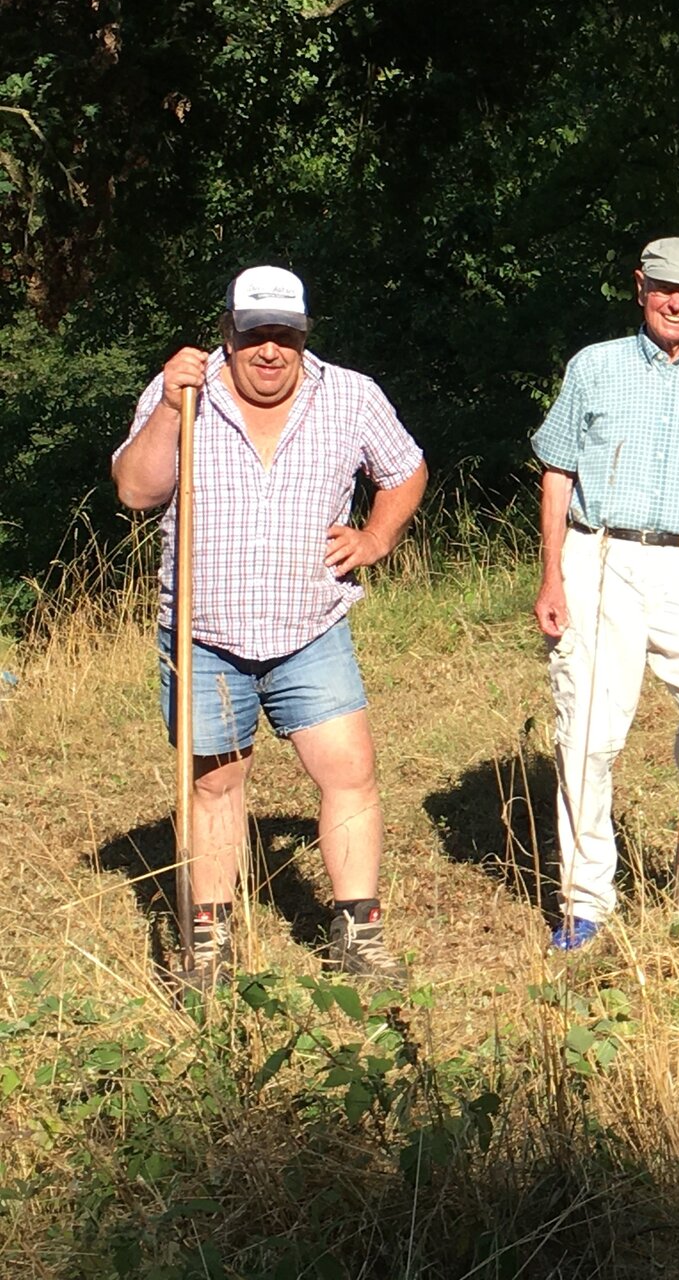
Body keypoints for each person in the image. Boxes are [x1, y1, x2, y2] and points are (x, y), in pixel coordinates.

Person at [112, 265, 428, 988]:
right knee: (216, 785)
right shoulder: (183, 396)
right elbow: (135, 490)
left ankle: (358, 932)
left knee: (348, 772)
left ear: (303, 334)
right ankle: (210, 943)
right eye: (255, 334)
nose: (269, 351)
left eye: (284, 335)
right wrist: (168, 404)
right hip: (204, 633)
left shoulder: (349, 394)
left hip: (310, 627)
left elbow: (406, 470)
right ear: (228, 333)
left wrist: (374, 540)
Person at [532, 237, 679, 952]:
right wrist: (552, 573)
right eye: (666, 288)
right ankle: (585, 904)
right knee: (589, 736)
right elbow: (558, 473)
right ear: (640, 287)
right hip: (598, 557)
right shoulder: (594, 367)